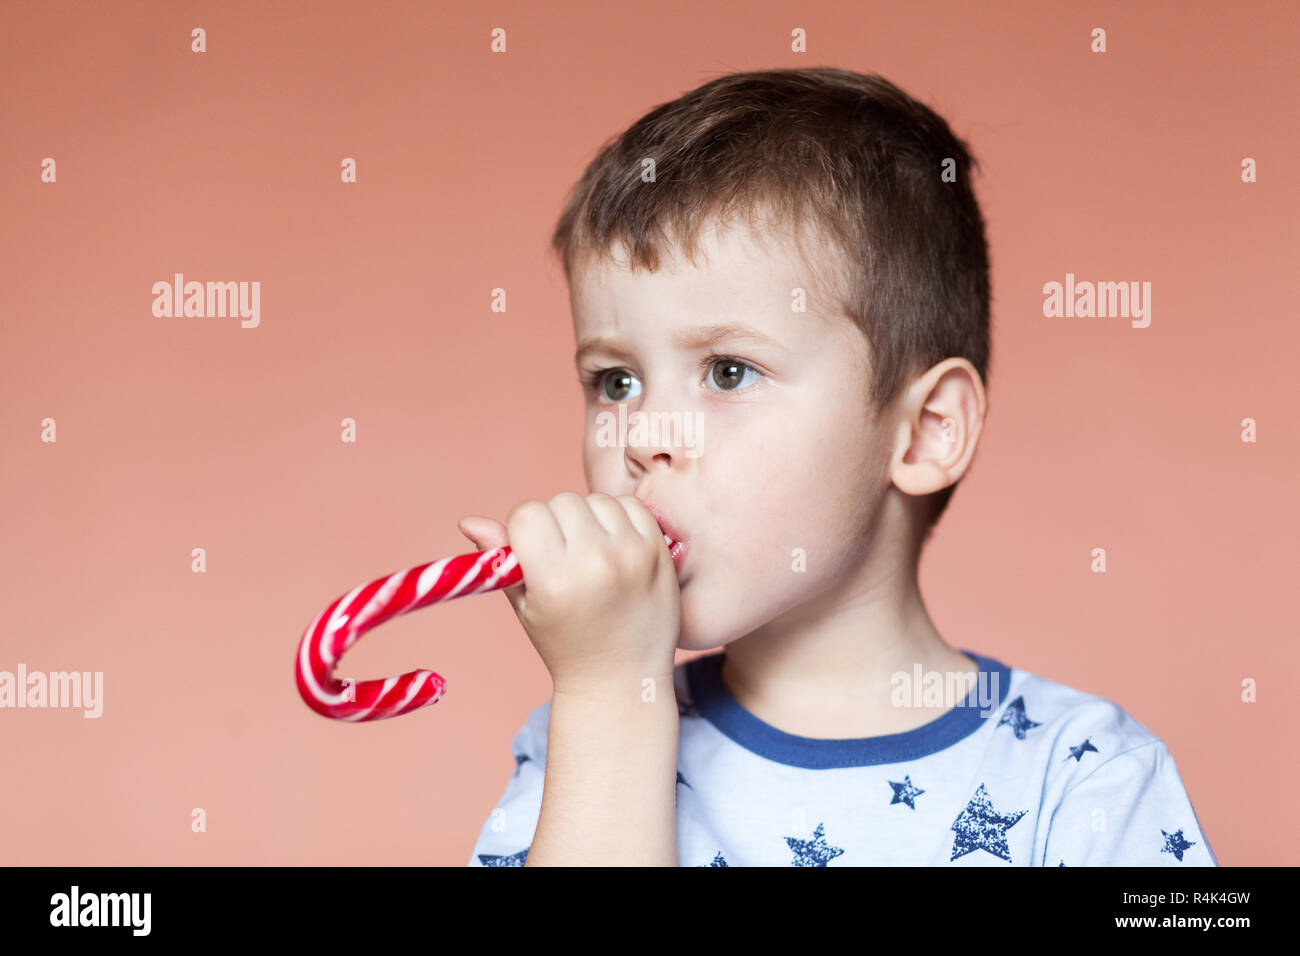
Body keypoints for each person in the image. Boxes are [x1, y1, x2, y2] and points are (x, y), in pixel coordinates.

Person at [460, 67, 1216, 866]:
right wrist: (612, 699)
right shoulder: (582, 746)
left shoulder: (1084, 781)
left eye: (727, 372)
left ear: (924, 431)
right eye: (616, 381)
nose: (644, 434)